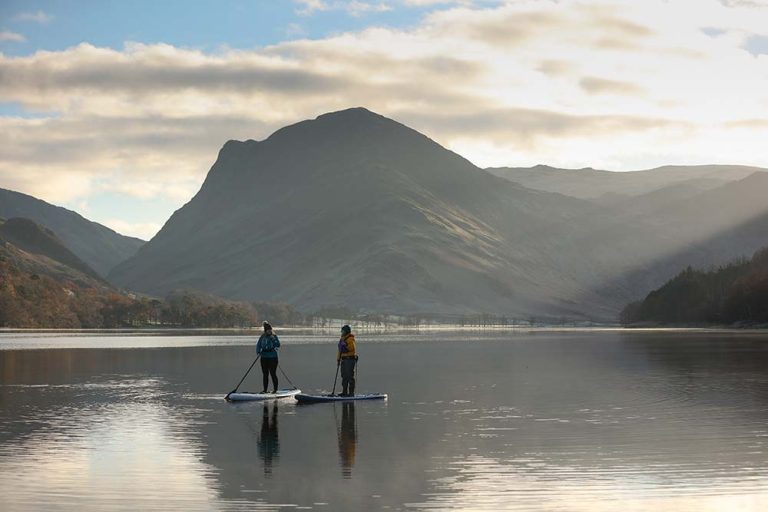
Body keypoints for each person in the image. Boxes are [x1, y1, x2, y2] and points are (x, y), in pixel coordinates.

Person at [257, 321, 280, 393]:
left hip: (273, 357)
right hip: (264, 357)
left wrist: (273, 339)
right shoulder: (262, 336)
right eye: (268, 330)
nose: (270, 331)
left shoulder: (274, 336)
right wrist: (258, 351)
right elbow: (258, 345)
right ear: (265, 330)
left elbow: (278, 345)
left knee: (273, 373)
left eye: (270, 330)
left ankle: (275, 390)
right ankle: (265, 390)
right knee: (265, 374)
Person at [337, 324, 357, 396]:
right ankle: (344, 392)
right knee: (344, 376)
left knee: (349, 376)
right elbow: (340, 351)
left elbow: (352, 349)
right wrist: (338, 359)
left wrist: (344, 346)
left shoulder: (350, 339)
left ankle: (351, 393)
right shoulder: (342, 339)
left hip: (350, 360)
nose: (341, 332)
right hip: (343, 360)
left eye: (342, 331)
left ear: (346, 331)